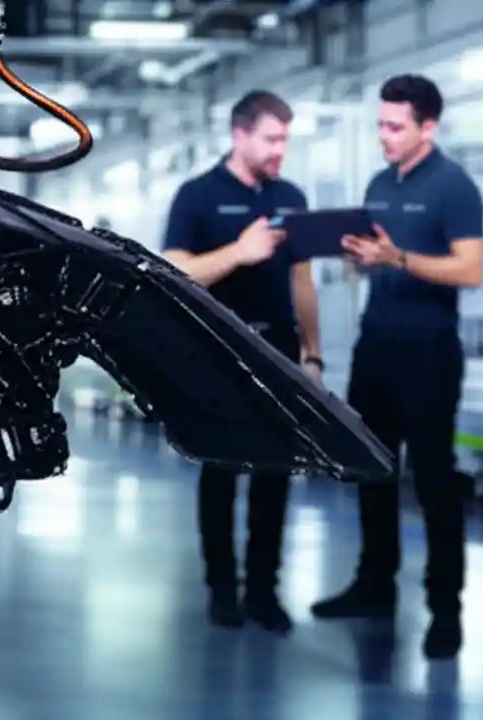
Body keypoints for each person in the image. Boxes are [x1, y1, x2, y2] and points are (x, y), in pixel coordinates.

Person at [309, 74, 483, 660]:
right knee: (373, 472)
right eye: (379, 124)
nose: (383, 136)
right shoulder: (379, 184)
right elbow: (376, 267)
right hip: (375, 347)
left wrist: (398, 257)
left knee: (434, 482)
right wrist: (363, 260)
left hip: (429, 354)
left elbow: (469, 270)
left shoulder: (455, 187)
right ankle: (374, 586)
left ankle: (445, 612)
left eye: (394, 126)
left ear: (427, 127)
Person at [161, 90, 322, 635]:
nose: (281, 149)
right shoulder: (198, 196)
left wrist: (313, 353)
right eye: (272, 138)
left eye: (285, 139)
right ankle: (222, 590)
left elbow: (302, 280)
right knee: (222, 472)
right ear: (240, 136)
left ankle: (263, 590)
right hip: (218, 352)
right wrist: (239, 252)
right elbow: (175, 271)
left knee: (276, 473)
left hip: (277, 350)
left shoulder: (292, 196)